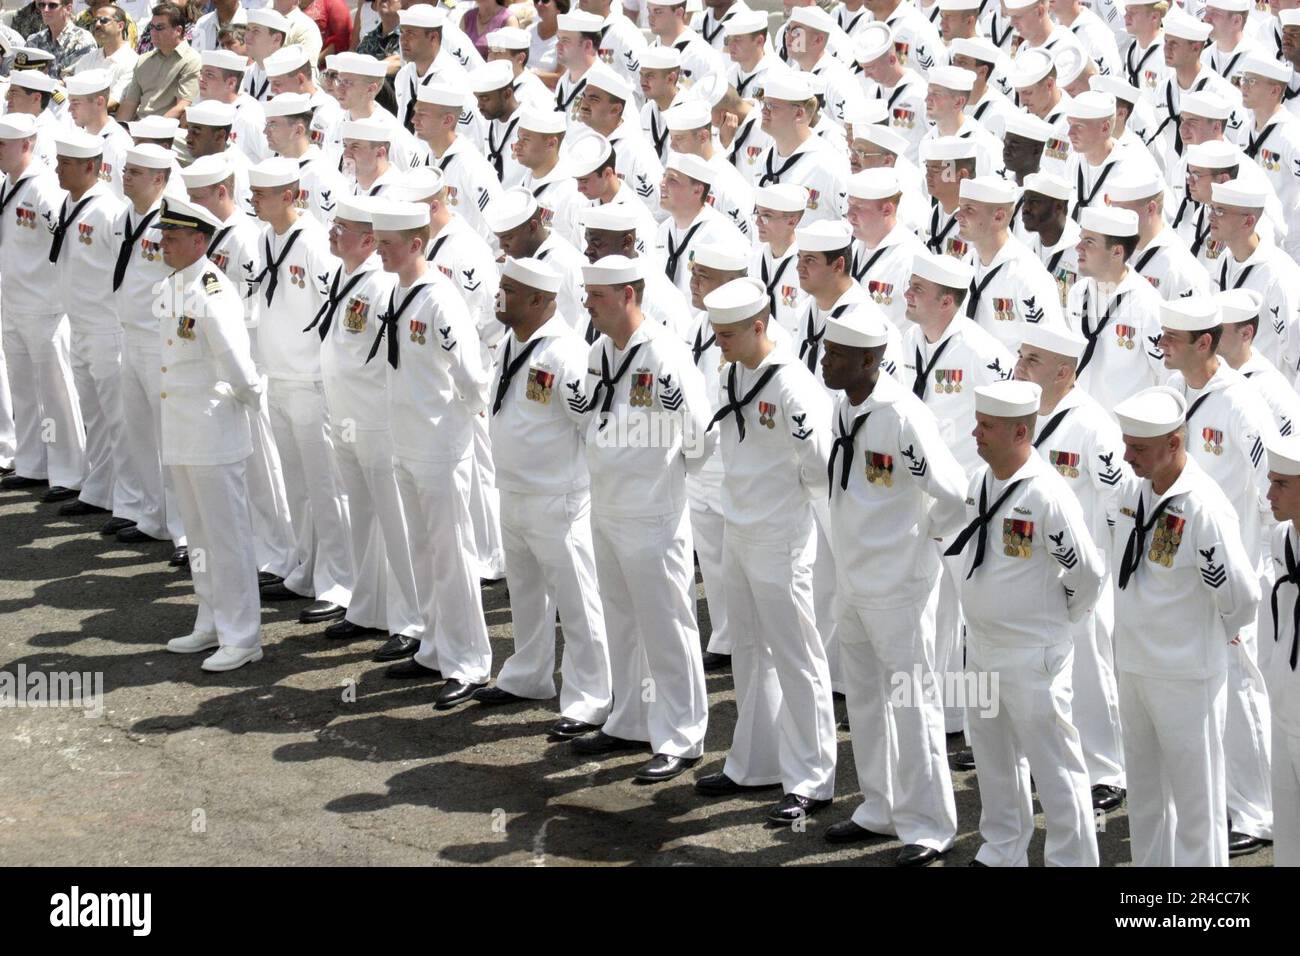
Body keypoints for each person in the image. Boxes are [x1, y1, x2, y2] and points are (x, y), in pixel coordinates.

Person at [820, 304, 968, 864]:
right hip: (854, 578)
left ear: (868, 360)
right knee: (864, 699)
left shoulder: (902, 416)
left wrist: (921, 540)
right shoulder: (843, 406)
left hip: (899, 585)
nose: (825, 360)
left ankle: (929, 824)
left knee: (913, 703)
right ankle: (880, 806)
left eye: (836, 354)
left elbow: (952, 492)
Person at [693, 276, 839, 823]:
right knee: (750, 652)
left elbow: (821, 467)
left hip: (780, 536)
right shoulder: (732, 372)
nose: (718, 343)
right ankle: (752, 763)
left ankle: (812, 778)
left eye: (727, 334)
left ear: (760, 326)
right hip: (740, 527)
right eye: (715, 333)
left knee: (798, 658)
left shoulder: (793, 386)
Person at [946, 379, 1105, 866]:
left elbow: (1087, 572)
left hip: (1033, 653)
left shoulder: (1047, 495)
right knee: (994, 760)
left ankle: (1071, 860)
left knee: (1056, 769)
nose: (975, 433)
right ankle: (1001, 849)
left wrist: (1059, 620)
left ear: (1020, 433)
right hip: (985, 646)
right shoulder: (981, 480)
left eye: (986, 426)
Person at [569, 254, 713, 782]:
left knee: (668, 625)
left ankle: (682, 734)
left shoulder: (665, 354)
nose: (587, 304)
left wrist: (668, 471)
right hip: (608, 504)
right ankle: (629, 717)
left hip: (652, 510)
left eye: (597, 296)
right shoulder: (599, 351)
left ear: (628, 295)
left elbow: (701, 435)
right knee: (621, 619)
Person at [1112, 384, 1261, 865]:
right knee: (1147, 799)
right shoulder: (1133, 489)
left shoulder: (1202, 506)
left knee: (1198, 806)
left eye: (1138, 448)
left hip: (1185, 675)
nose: (1127, 455)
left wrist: (1212, 637)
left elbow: (1241, 595)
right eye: (1127, 444)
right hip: (1134, 666)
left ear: (1174, 444)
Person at [1157, 293, 1279, 856]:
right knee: (1210, 689)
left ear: (1203, 344)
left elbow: (1268, 492)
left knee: (1240, 688)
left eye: (1172, 339)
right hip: (1187, 570)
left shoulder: (1240, 404)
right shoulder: (1180, 390)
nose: (1162, 346)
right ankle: (1227, 799)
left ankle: (1256, 812)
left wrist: (1264, 566)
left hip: (1234, 570)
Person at [473, 256, 614, 739]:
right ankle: (528, 674)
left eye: (509, 290)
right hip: (514, 488)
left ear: (539, 300)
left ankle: (592, 697)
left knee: (578, 601)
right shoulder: (515, 341)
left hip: (558, 497)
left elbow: (591, 427)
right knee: (526, 594)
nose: (499, 295)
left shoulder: (566, 354)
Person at [368, 198, 493, 707]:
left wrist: (458, 427)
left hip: (439, 442)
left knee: (453, 553)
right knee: (423, 550)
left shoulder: (440, 298)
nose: (379, 252)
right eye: (376, 243)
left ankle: (468, 661)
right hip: (406, 437)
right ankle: (436, 646)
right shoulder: (399, 291)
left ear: (415, 244)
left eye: (388, 245)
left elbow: (470, 375)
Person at [1013, 324, 1132, 814]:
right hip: (1033, 567)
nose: (1019, 367)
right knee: (1043, 673)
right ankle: (1059, 762)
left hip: (1082, 571)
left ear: (1065, 372)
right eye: (1021, 356)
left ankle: (1107, 771)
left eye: (1032, 361)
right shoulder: (1025, 412)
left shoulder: (1091, 424)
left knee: (1088, 670)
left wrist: (1100, 564)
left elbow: (1118, 499)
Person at [154, 196, 264, 672]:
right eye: (164, 235)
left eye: (173, 237)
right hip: (181, 431)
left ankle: (243, 636)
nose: (164, 243)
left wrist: (250, 402)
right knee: (198, 537)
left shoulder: (212, 290)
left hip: (212, 430)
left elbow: (239, 368)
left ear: (199, 241)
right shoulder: (174, 284)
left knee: (228, 538)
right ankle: (212, 618)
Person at [246, 157, 354, 626]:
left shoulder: (313, 243)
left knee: (327, 489)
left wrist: (328, 377)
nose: (253, 201)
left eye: (262, 195)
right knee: (300, 488)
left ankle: (341, 582)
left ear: (289, 196)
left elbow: (335, 312)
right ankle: (308, 570)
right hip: (279, 375)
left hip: (311, 381)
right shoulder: (268, 237)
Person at [0, 114, 86, 502]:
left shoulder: (43, 187)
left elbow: (62, 240)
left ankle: (69, 471)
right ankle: (32, 462)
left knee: (56, 393)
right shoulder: (10, 184)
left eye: (4, 144)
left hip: (44, 305)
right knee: (23, 390)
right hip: (14, 300)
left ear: (26, 145)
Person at [48, 130, 126, 523]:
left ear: (90, 168)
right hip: (79, 322)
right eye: (59, 162)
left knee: (118, 418)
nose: (59, 169)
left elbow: (122, 271)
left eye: (66, 164)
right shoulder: (70, 201)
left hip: (106, 326)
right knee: (92, 413)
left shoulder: (108, 211)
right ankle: (100, 488)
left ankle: (129, 501)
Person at [1262, 434, 1300, 867]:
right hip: (1285, 694)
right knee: (1288, 828)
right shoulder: (1280, 538)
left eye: (1283, 484)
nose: (1269, 494)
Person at [117, 2, 200, 121]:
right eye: (152, 27)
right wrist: (118, 129)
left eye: (160, 27)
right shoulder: (143, 60)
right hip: (138, 127)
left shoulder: (192, 60)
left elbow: (182, 106)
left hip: (167, 132)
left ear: (178, 30)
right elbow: (130, 103)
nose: (153, 32)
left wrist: (151, 129)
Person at [71, 4, 138, 107]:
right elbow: (74, 92)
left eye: (104, 20)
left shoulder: (132, 61)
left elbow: (114, 101)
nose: (97, 25)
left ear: (120, 26)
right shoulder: (87, 59)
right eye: (95, 21)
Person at [24, 0, 94, 78]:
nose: (45, 10)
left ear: (68, 9)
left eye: (52, 5)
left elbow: (74, 83)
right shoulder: (33, 40)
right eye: (42, 5)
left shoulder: (82, 40)